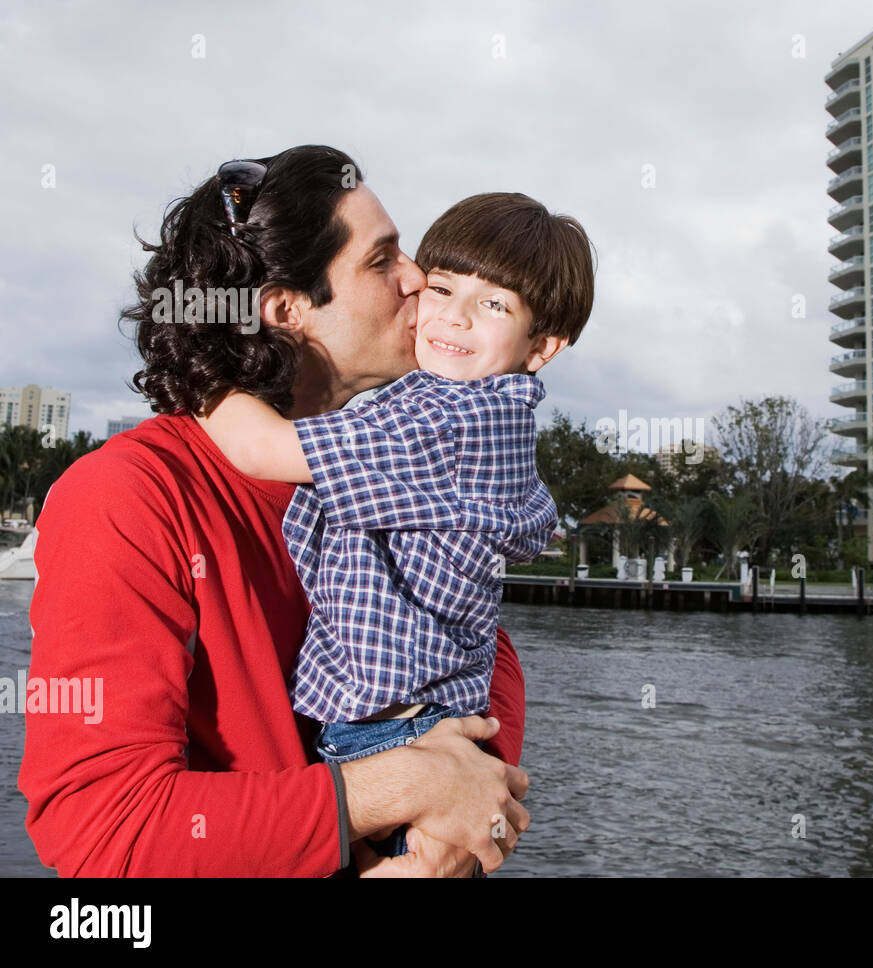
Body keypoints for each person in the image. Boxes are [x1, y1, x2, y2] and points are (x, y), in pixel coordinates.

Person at [19, 145, 529, 877]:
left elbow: (484, 640)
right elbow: (104, 832)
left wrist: (461, 807)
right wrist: (407, 786)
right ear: (287, 310)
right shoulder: (127, 496)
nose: (419, 277)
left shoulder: (381, 462)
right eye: (383, 259)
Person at [197, 192, 596, 856]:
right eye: (442, 287)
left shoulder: (444, 421)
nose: (454, 317)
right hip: (420, 719)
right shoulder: (472, 407)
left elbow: (260, 450)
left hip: (387, 733)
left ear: (543, 345)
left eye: (494, 305)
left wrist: (195, 365)